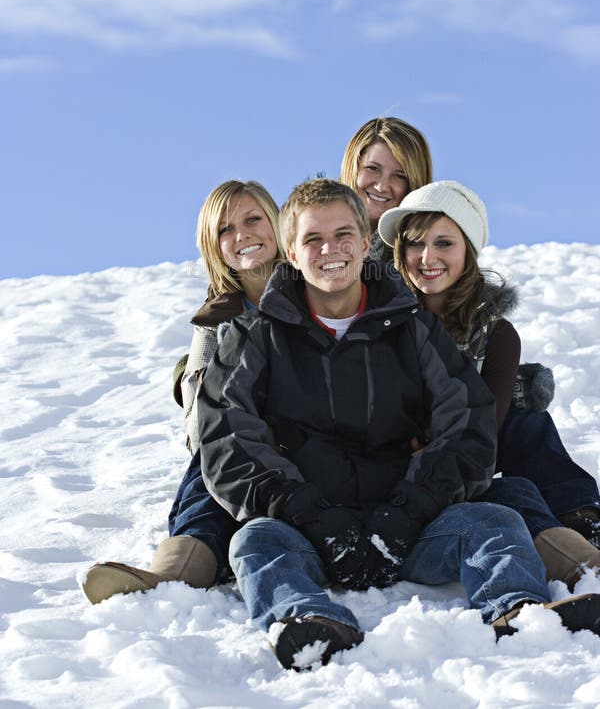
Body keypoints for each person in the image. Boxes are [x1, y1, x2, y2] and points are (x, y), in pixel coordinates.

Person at [197, 178, 600, 672]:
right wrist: (310, 514)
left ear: (367, 243)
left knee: (495, 520)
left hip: (410, 526)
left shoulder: (411, 326)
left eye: (344, 234)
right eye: (313, 239)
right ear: (291, 252)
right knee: (254, 542)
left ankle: (517, 609)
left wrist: (409, 510)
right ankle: (309, 620)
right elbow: (228, 439)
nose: (331, 250)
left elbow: (467, 426)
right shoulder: (255, 337)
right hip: (310, 532)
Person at [378, 180, 600, 588]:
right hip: (388, 487)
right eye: (415, 244)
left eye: (444, 243)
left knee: (514, 484)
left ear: (468, 251)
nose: (427, 257)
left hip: (459, 474)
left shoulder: (495, 334)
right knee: (510, 490)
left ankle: (587, 564)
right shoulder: (379, 323)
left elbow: (481, 435)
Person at [82, 180, 284, 604]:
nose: (242, 234)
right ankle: (176, 571)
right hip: (241, 451)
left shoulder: (315, 293)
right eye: (226, 229)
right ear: (214, 246)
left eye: (253, 219)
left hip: (306, 444)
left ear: (278, 225)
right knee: (209, 466)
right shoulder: (214, 320)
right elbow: (197, 416)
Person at [339, 116, 432, 261]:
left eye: (399, 176)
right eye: (373, 168)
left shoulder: (422, 257)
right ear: (353, 167)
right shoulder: (307, 230)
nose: (382, 186)